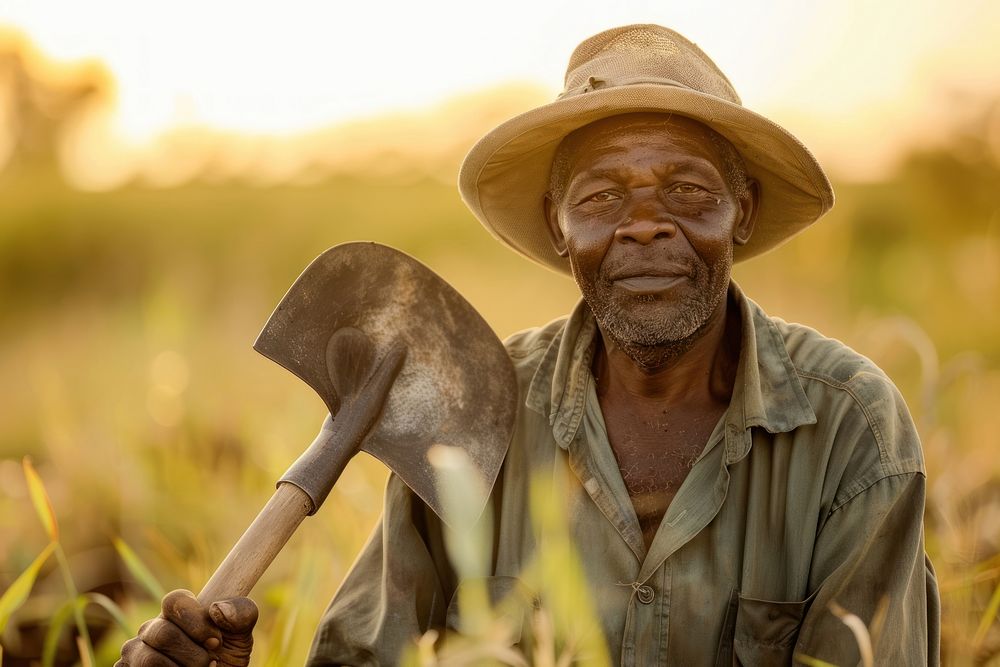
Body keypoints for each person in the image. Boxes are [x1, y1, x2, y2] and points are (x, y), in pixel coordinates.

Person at [117, 24, 940, 666]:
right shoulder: (467, 410)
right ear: (558, 225)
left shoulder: (851, 431)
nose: (645, 223)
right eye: (601, 195)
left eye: (688, 189)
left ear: (744, 212)